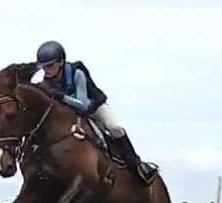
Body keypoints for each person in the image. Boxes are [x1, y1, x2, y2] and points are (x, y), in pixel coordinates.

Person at [34, 40, 159, 182]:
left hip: (94, 107)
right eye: (43, 67)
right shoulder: (46, 82)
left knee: (114, 128)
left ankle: (137, 165)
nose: (47, 70)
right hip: (74, 114)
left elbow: (83, 104)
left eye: (50, 65)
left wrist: (61, 96)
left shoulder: (77, 73)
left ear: (61, 62)